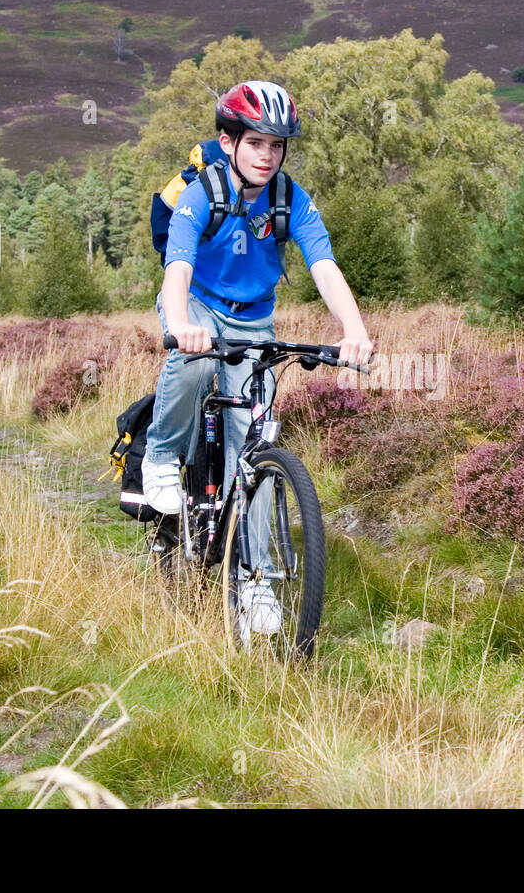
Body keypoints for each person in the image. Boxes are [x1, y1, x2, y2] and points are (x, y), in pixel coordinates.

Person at [143, 79, 374, 634]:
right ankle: (160, 459)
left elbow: (324, 266)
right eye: (256, 144)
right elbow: (176, 269)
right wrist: (179, 325)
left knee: (258, 446)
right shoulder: (203, 192)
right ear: (229, 142)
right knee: (195, 362)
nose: (268, 156)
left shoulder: (289, 198)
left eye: (277, 146)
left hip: (255, 318)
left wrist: (355, 329)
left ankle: (254, 581)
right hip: (198, 305)